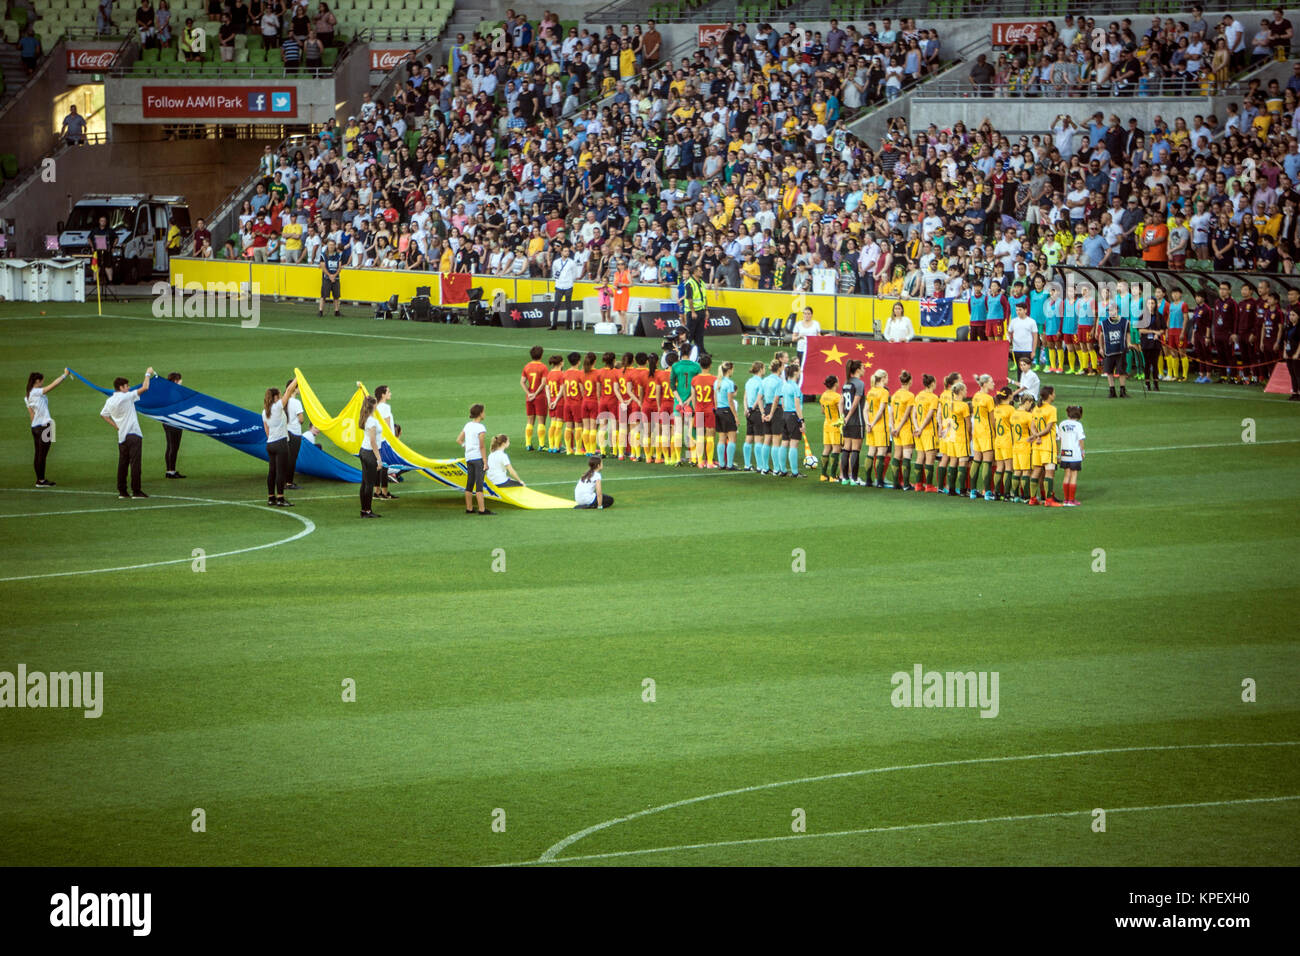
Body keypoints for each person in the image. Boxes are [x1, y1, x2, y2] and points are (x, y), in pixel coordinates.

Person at [100, 367, 155, 499]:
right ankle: (136, 491)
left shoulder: (110, 401)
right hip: (133, 434)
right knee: (135, 464)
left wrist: (116, 426)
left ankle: (122, 491)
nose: (129, 388)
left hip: (122, 437)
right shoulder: (126, 397)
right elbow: (145, 387)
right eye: (127, 386)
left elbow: (103, 415)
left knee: (123, 464)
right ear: (121, 387)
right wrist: (148, 373)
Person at [26, 368, 69, 487]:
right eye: (42, 381)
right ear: (37, 381)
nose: (43, 383)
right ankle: (41, 480)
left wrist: (35, 427)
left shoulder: (28, 395)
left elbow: (31, 414)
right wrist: (64, 375)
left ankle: (39, 479)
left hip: (35, 427)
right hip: (45, 426)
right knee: (42, 455)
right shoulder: (36, 392)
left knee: (38, 454)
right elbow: (52, 386)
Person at [262, 378, 298, 507]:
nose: (282, 396)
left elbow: (267, 430)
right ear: (276, 397)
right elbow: (289, 390)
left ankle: (271, 497)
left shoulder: (264, 412)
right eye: (280, 395)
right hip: (281, 444)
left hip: (270, 444)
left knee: (272, 471)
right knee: (281, 472)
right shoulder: (277, 407)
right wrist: (297, 378)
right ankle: (281, 498)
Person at [456, 402, 493, 515]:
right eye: (483, 412)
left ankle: (469, 508)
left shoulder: (468, 425)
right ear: (480, 413)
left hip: (469, 457)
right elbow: (482, 446)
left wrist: (466, 446)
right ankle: (482, 509)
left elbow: (459, 440)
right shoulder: (481, 427)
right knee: (479, 484)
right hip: (478, 458)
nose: (484, 413)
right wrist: (485, 462)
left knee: (470, 483)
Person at [1029, 386, 1062, 506]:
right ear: (1050, 395)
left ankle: (1033, 498)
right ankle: (1049, 500)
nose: (1055, 395)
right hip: (1048, 445)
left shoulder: (1036, 408)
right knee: (1049, 472)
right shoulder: (1052, 409)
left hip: (1037, 446)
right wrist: (1038, 435)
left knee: (1036, 471)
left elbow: (1032, 426)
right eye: (1054, 393)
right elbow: (1048, 429)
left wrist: (1036, 436)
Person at [669, 347, 702, 466]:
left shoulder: (675, 366)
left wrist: (679, 400)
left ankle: (678, 459)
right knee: (690, 431)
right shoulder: (696, 366)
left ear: (680, 352)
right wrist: (689, 400)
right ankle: (692, 459)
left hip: (678, 403)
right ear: (690, 352)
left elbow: (672, 385)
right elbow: (698, 386)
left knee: (678, 430)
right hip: (691, 403)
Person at [969, 374, 996, 501]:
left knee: (976, 460)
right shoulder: (989, 399)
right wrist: (996, 433)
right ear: (985, 384)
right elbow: (992, 420)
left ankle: (973, 491)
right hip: (986, 432)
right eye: (991, 381)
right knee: (987, 462)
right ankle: (987, 492)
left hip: (977, 432)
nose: (993, 383)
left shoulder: (976, 396)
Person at [887, 370, 916, 491]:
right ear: (910, 381)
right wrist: (898, 428)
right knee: (907, 455)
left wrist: (893, 427)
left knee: (897, 454)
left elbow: (891, 413)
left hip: (896, 429)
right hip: (905, 429)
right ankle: (906, 484)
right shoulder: (910, 396)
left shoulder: (895, 395)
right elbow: (907, 415)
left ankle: (896, 483)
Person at [1097, 302, 1132, 397]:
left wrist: (1129, 343)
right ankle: (1112, 390)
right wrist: (1101, 348)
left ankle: (1122, 391)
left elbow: (1127, 333)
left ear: (1117, 310)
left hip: (1121, 349)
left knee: (1121, 371)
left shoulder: (1125, 322)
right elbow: (1101, 335)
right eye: (1109, 311)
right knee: (1109, 371)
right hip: (1109, 350)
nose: (1111, 312)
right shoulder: (1104, 323)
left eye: (1113, 310)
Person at [356, 394, 383, 518]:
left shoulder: (366, 418)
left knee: (365, 482)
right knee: (369, 484)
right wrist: (379, 459)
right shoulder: (371, 421)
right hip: (370, 453)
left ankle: (364, 510)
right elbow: (373, 441)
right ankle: (367, 511)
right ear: (374, 405)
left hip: (364, 451)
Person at [911, 373, 939, 493]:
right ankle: (929, 485)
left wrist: (917, 428)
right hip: (928, 431)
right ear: (932, 384)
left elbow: (913, 414)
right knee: (929, 458)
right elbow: (929, 416)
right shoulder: (933, 398)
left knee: (920, 457)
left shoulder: (918, 396)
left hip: (918, 432)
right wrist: (921, 428)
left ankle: (918, 485)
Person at [759, 357, 786, 475]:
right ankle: (776, 469)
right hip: (776, 411)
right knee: (776, 440)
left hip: (766, 408)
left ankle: (765, 468)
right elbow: (776, 399)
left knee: (766, 439)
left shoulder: (764, 380)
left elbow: (759, 398)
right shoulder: (779, 381)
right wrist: (771, 414)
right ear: (779, 368)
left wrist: (763, 413)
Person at [863, 368, 890, 488]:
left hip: (870, 427)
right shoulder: (884, 392)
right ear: (883, 378)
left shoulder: (871, 391)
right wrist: (873, 423)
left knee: (871, 452)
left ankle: (868, 480)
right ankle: (879, 481)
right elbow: (881, 410)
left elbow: (865, 409)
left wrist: (867, 423)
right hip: (880, 426)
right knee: (881, 452)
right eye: (887, 377)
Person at [690, 353, 718, 469]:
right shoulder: (714, 379)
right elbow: (715, 397)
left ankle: (700, 461)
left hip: (699, 410)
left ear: (700, 365)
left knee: (700, 436)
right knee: (710, 436)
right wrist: (716, 408)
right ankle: (710, 462)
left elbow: (693, 397)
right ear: (710, 365)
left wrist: (696, 408)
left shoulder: (695, 379)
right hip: (710, 410)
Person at [776, 364, 805, 478]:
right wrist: (801, 420)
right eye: (799, 371)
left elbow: (783, 403)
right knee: (794, 443)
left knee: (784, 442)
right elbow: (797, 405)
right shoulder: (795, 387)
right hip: (793, 415)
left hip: (785, 415)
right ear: (795, 373)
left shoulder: (784, 386)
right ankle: (795, 472)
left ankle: (782, 470)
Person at [371, 385, 397, 499]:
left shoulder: (375, 407)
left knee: (379, 465)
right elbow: (387, 425)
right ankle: (384, 492)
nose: (390, 394)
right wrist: (392, 439)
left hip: (378, 439)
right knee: (385, 466)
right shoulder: (385, 407)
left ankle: (376, 491)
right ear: (383, 395)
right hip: (385, 440)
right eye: (388, 392)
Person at [1008, 395, 1035, 502]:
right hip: (1025, 446)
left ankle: (1015, 496)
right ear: (1027, 402)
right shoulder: (1028, 416)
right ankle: (1026, 496)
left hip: (1016, 446)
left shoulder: (1013, 415)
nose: (1031, 406)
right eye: (1031, 403)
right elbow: (1033, 433)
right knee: (1026, 472)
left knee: (1017, 471)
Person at [520, 345, 548, 451]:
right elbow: (543, 383)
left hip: (529, 397)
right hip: (540, 397)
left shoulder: (527, 366)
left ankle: (528, 444)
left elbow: (522, 381)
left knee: (530, 420)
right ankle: (541, 445)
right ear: (541, 355)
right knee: (541, 421)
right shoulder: (543, 367)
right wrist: (535, 394)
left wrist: (529, 393)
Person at [1057, 405, 1086, 505]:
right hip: (1075, 453)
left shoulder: (1062, 424)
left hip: (1064, 453)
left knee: (1066, 475)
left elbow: (1060, 439)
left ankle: (1066, 499)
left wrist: (1059, 453)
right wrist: (1082, 452)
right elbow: (1081, 440)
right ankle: (1071, 500)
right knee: (1074, 475)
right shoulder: (1078, 425)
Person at [161, 371, 187, 478]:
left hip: (167, 422)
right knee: (174, 447)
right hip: (174, 423)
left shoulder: (167, 391)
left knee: (170, 446)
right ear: (176, 381)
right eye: (180, 380)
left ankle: (170, 470)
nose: (181, 381)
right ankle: (171, 471)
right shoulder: (175, 392)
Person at [742, 360, 765, 471]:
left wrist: (746, 409)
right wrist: (753, 408)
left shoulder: (749, 381)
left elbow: (745, 397)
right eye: (764, 368)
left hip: (749, 413)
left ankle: (747, 464)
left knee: (748, 438)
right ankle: (760, 466)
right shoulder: (761, 382)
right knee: (758, 439)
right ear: (760, 369)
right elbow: (759, 398)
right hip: (756, 412)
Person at [991, 388, 1014, 501]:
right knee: (1009, 467)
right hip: (1007, 441)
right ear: (1009, 396)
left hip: (998, 440)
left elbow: (994, 424)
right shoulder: (1010, 409)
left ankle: (996, 493)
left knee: (999, 467)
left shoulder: (996, 409)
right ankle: (1006, 494)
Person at [818, 374, 842, 482]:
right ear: (835, 383)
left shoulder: (823, 395)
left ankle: (823, 475)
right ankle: (833, 476)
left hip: (826, 424)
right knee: (836, 449)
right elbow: (841, 411)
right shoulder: (837, 397)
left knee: (827, 448)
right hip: (835, 425)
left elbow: (822, 411)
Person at [550, 244, 579, 330]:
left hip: (568, 286)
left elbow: (575, 274)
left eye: (568, 251)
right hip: (559, 285)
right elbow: (554, 272)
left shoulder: (572, 262)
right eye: (565, 251)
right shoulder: (556, 262)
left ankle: (568, 325)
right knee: (556, 305)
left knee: (568, 305)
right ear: (561, 252)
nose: (567, 253)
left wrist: (569, 281)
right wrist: (558, 280)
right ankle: (554, 325)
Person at [543, 353, 565, 453]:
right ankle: (557, 447)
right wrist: (556, 401)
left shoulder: (549, 374)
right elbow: (562, 389)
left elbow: (547, 388)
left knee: (552, 424)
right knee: (559, 425)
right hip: (559, 402)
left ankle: (551, 447)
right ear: (561, 363)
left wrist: (549, 401)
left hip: (551, 401)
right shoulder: (561, 374)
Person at [319, 238, 342, 316]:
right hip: (326, 277)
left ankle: (336, 311)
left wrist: (334, 276)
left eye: (332, 245)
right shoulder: (323, 255)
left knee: (336, 296)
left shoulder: (338, 255)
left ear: (335, 246)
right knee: (323, 295)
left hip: (336, 278)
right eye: (330, 245)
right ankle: (321, 311)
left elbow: (340, 267)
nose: (331, 246)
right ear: (327, 246)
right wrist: (330, 275)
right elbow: (323, 266)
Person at [1285, 298, 1300, 400]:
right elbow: (1285, 341)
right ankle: (1294, 392)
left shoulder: (1299, 328)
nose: (1291, 317)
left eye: (1293, 315)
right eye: (1290, 315)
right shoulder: (1288, 327)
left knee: (1298, 374)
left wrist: (1297, 353)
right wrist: (1285, 352)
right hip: (1289, 353)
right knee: (1292, 374)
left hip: (1297, 354)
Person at [613, 259, 633, 335]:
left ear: (624, 265)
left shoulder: (627, 273)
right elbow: (614, 283)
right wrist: (615, 286)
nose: (620, 266)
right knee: (619, 311)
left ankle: (625, 328)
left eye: (622, 264)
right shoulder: (616, 273)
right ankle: (622, 328)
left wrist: (624, 284)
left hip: (624, 292)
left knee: (623, 311)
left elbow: (631, 284)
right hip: (618, 292)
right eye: (619, 264)